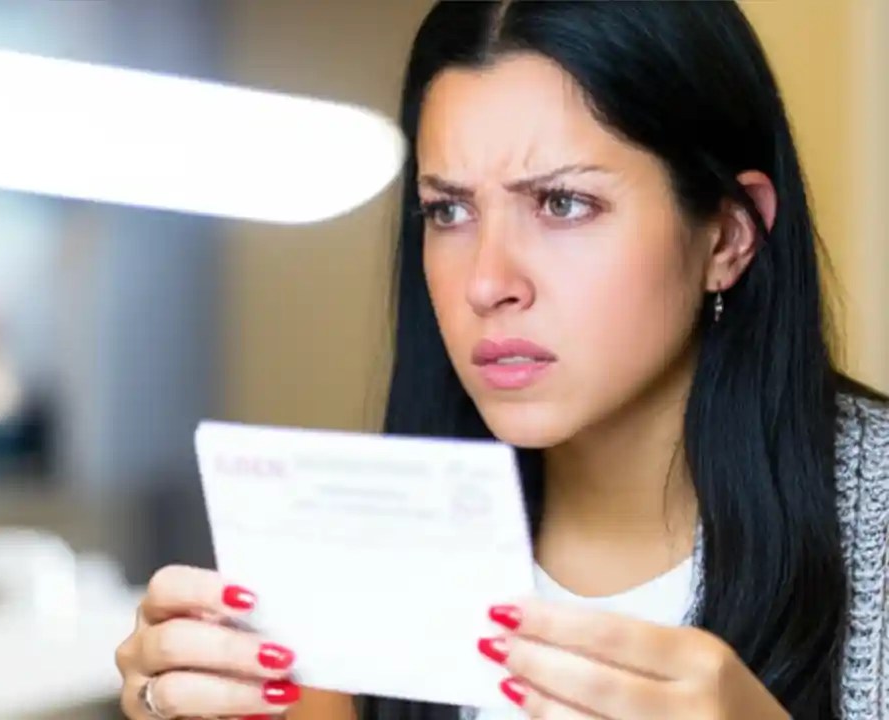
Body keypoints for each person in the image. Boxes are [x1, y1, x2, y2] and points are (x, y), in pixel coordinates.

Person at [113, 2, 889, 718]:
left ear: (728, 236)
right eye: (447, 210)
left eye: (562, 203)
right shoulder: (372, 556)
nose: (486, 282)